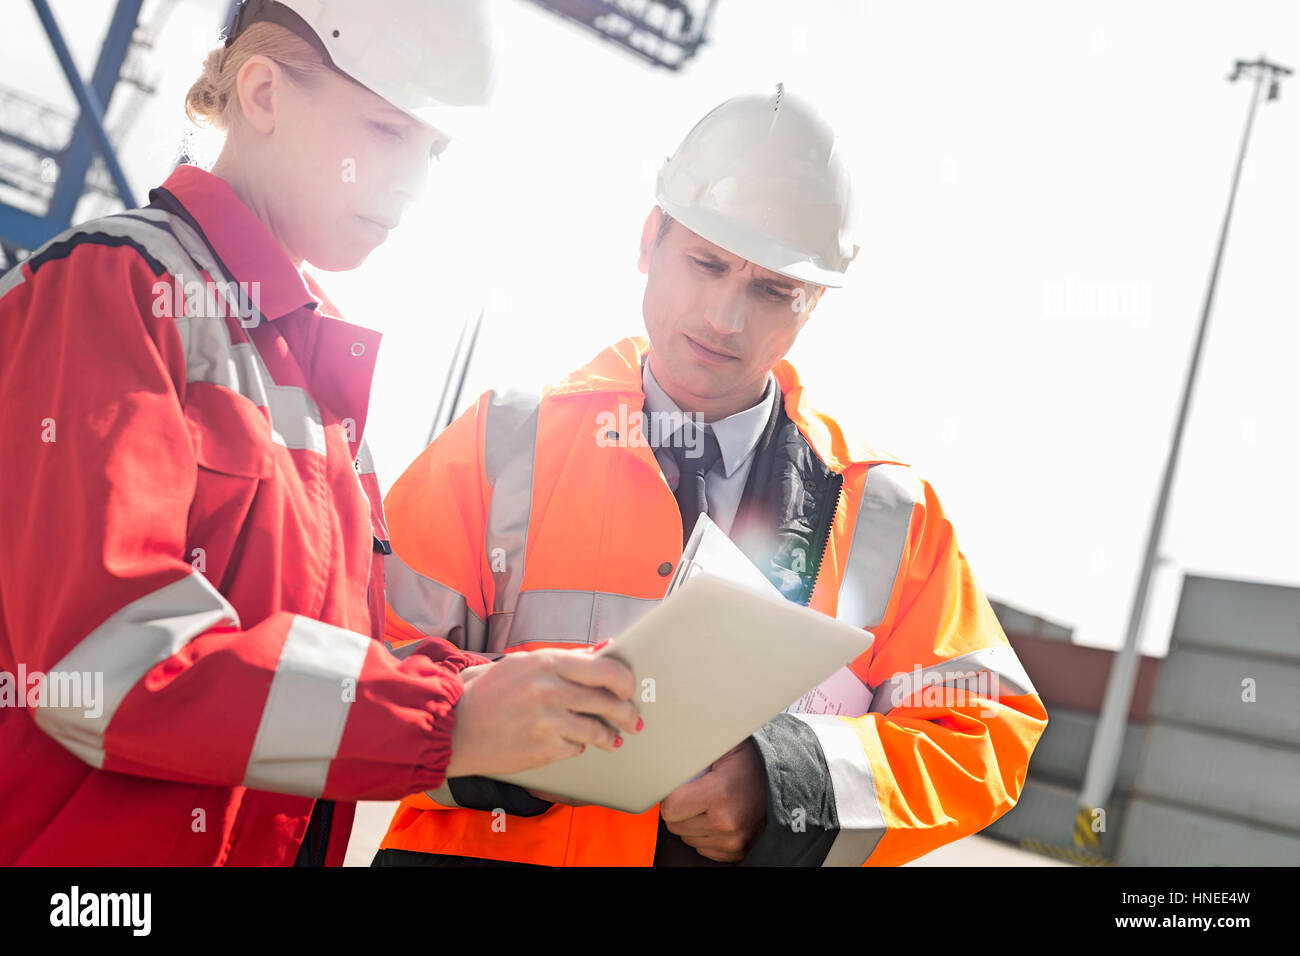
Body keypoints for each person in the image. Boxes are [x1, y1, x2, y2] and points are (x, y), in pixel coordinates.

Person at [0, 0, 638, 867]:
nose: (415, 180)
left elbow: (328, 664)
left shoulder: (313, 379)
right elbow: (102, 662)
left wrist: (498, 689)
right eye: (386, 130)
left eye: (434, 150)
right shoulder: (113, 288)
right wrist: (449, 724)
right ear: (262, 92)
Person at [371, 85, 1049, 867]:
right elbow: (369, 660)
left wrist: (786, 785)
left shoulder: (888, 514)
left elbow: (982, 728)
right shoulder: (503, 443)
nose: (726, 318)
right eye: (707, 263)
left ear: (814, 303)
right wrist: (507, 725)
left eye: (772, 290)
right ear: (649, 238)